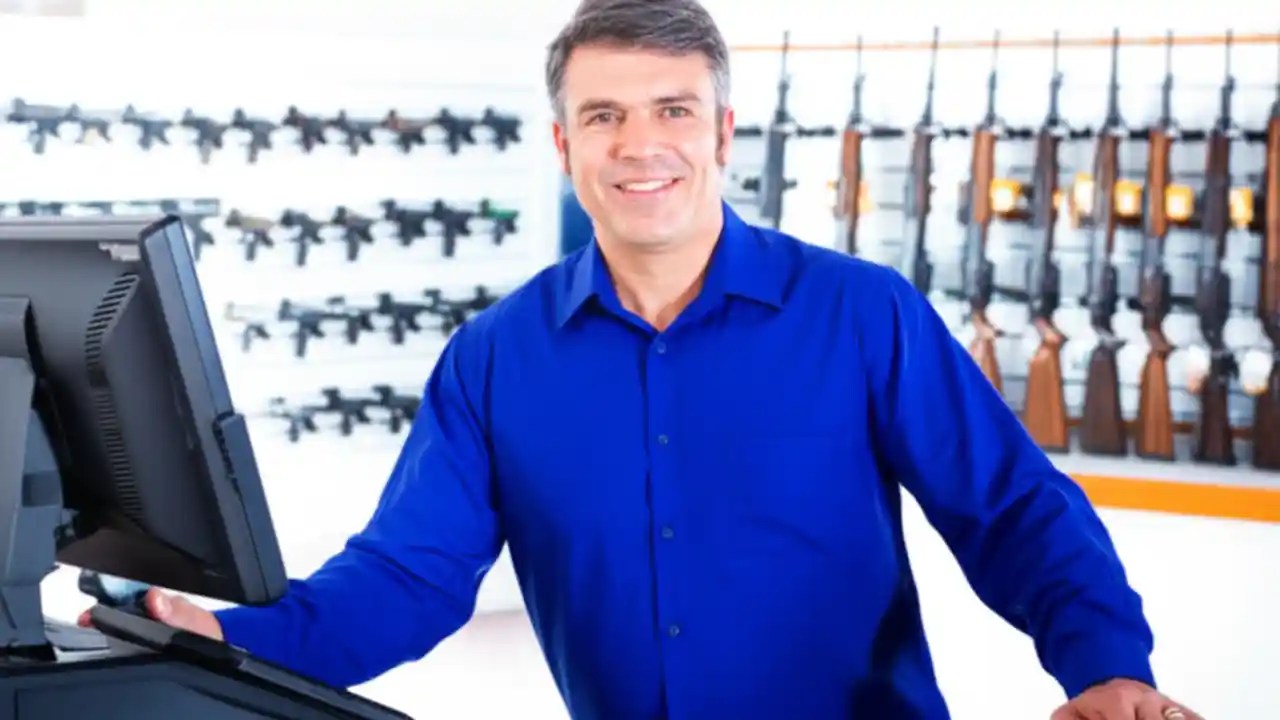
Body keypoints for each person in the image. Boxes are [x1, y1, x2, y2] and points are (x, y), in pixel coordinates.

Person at [82, 1, 1201, 718]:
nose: (639, 144)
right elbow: (409, 578)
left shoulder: (860, 313)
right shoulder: (494, 357)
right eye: (604, 115)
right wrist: (230, 638)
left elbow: (1010, 510)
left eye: (671, 108)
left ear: (720, 132)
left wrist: (1103, 666)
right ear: (565, 145)